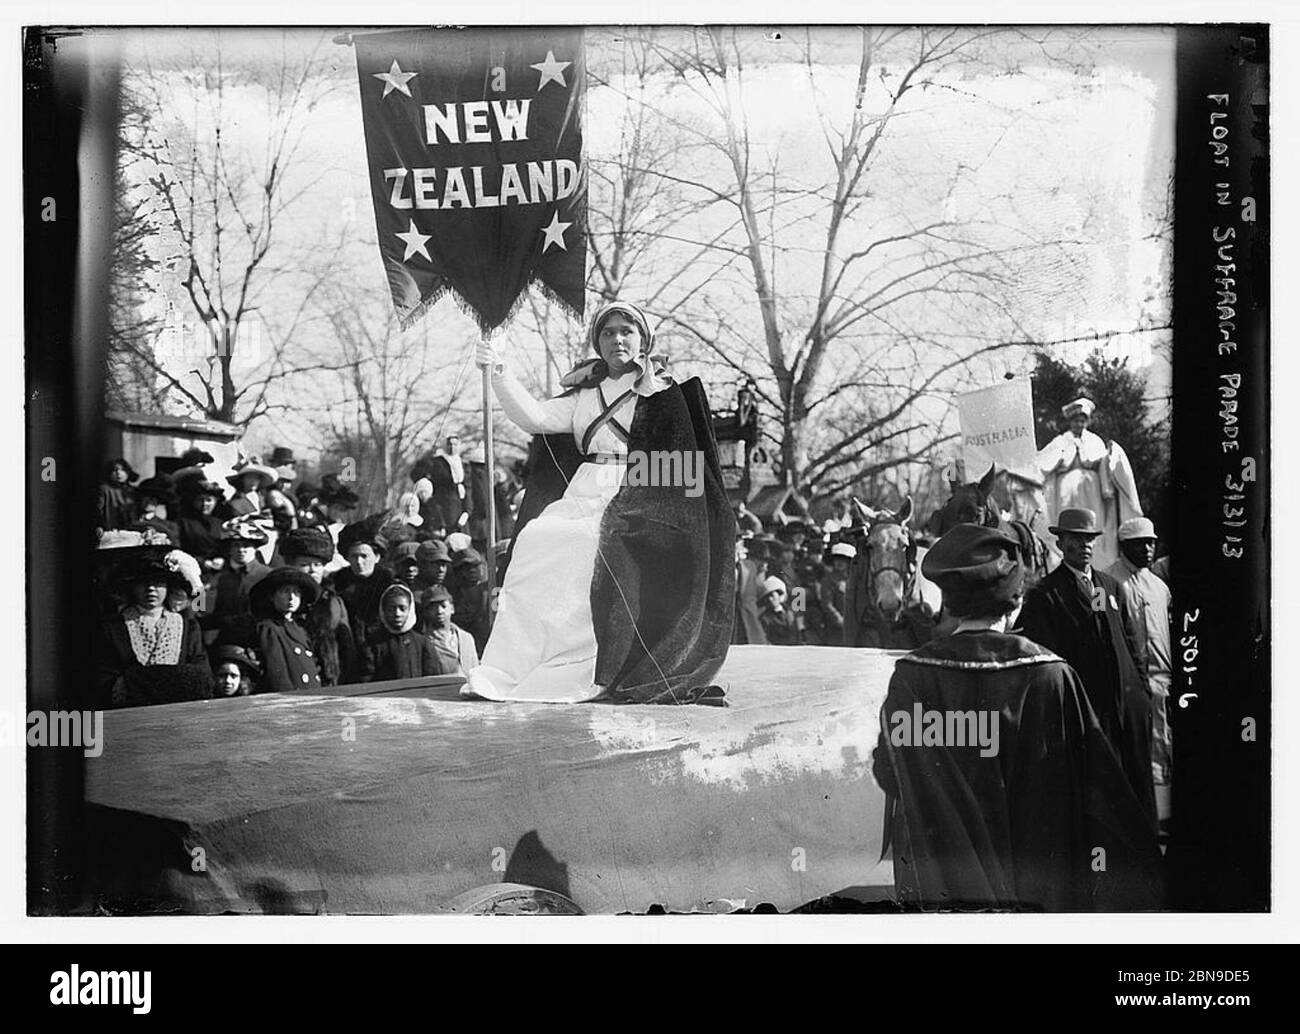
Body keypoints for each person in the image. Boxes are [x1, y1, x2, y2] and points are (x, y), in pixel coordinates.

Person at [871, 523, 1162, 911]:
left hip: (949, 890)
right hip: (1040, 887)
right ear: (1016, 603)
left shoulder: (914, 676)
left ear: (950, 604)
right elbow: (1101, 787)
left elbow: (890, 773)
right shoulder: (1053, 676)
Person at [465, 300, 735, 704]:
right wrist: (498, 371)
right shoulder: (584, 393)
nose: (617, 340)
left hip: (640, 489)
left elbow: (683, 463)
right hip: (585, 486)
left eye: (626, 331)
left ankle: (589, 669)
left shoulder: (661, 390)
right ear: (597, 342)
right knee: (537, 538)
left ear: (643, 339)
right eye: (608, 333)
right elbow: (536, 417)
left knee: (584, 545)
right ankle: (513, 669)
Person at [1016, 507, 1157, 828]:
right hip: (1088, 711)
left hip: (1129, 707)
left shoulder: (1109, 586)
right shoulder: (1045, 595)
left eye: (1090, 539)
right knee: (1098, 798)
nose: (1085, 546)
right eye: (1076, 540)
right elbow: (1045, 662)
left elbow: (1131, 643)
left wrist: (1143, 692)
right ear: (1061, 543)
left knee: (1137, 789)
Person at [1105, 517, 1173, 810]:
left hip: (1163, 680)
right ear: (1123, 547)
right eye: (1140, 543)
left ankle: (1162, 811)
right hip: (1129, 682)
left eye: (1151, 542)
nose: (1148, 549)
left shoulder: (1160, 586)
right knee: (1136, 750)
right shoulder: (1108, 581)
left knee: (1162, 742)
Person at [1036, 397, 1142, 571]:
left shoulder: (1095, 441)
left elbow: (1103, 465)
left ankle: (1098, 566)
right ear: (1070, 422)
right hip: (1065, 490)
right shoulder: (1061, 441)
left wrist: (1110, 458)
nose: (1079, 424)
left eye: (1082, 420)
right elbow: (1044, 462)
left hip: (1092, 491)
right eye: (1076, 421)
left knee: (1092, 525)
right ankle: (1063, 562)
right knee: (1069, 523)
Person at [95, 550, 210, 708]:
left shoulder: (188, 626)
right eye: (143, 583)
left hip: (178, 709)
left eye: (158, 582)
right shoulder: (113, 627)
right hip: (130, 711)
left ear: (168, 587)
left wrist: (140, 679)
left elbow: (201, 673)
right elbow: (106, 677)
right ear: (132, 587)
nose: (150, 589)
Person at [282, 527, 357, 687]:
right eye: (304, 564)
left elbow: (346, 646)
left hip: (328, 678)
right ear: (291, 566)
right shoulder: (283, 600)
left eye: (317, 564)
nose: (312, 570)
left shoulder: (332, 602)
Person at [250, 567, 323, 693]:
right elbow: (277, 673)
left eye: (296, 592)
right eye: (285, 591)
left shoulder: (299, 628)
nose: (291, 597)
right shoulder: (269, 629)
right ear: (272, 597)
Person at [202, 519, 272, 646]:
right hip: (227, 640)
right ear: (229, 549)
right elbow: (208, 609)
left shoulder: (268, 576)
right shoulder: (221, 578)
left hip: (259, 639)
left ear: (255, 548)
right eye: (236, 545)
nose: (241, 550)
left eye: (246, 545)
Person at [361, 583, 441, 681]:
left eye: (402, 608)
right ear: (383, 611)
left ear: (410, 610)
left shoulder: (423, 643)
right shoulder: (372, 644)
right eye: (391, 609)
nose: (397, 614)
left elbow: (432, 678)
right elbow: (365, 679)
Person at [335, 521, 395, 645]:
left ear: (377, 557)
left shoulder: (390, 584)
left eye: (364, 556)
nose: (359, 562)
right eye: (354, 556)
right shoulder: (338, 584)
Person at [418, 585, 480, 675]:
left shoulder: (466, 638)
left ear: (452, 608)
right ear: (426, 612)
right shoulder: (423, 641)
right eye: (433, 608)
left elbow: (475, 669)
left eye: (443, 606)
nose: (439, 611)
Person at [819, 542, 854, 643]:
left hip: (853, 624)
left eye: (843, 559)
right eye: (837, 559)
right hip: (835, 627)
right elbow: (827, 604)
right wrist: (839, 620)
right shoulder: (828, 580)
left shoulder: (853, 580)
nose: (840, 562)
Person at [131, 475, 180, 544]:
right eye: (145, 497)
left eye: (153, 499)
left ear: (158, 501)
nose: (148, 502)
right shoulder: (130, 522)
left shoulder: (169, 526)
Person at [97, 458, 140, 532]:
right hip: (111, 530)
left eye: (122, 470)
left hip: (132, 530)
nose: (118, 473)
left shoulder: (133, 491)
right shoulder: (104, 489)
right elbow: (97, 511)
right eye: (115, 470)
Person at [758, 576, 800, 645]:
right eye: (767, 597)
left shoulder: (791, 612)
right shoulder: (764, 618)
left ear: (779, 595)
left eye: (772, 595)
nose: (770, 599)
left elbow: (797, 634)